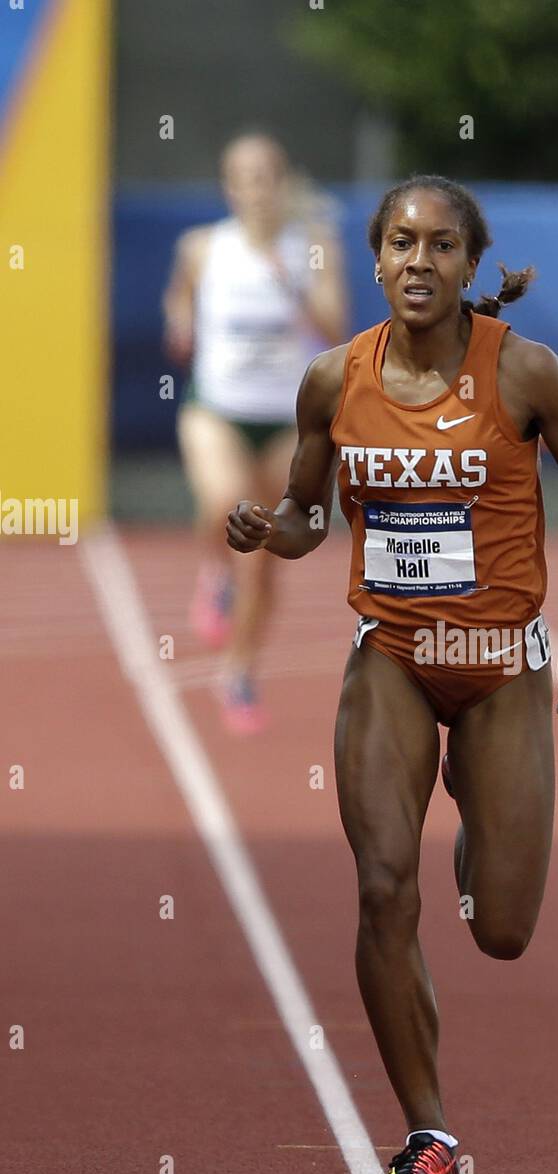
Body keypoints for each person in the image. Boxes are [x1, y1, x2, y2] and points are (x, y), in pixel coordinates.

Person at [227, 174, 558, 1174]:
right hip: (392, 660)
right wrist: (274, 532)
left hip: (498, 671)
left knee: (501, 929)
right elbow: (310, 515)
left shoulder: (526, 373)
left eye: (441, 245)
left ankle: (471, 811)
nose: (418, 260)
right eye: (401, 241)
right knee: (379, 886)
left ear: (468, 265)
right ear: (375, 258)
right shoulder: (333, 380)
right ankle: (429, 1132)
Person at [163, 131, 348, 732]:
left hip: (285, 419)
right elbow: (179, 299)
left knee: (264, 549)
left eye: (267, 175)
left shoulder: (311, 246)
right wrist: (181, 321)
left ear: (282, 182)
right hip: (216, 407)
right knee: (225, 505)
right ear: (229, 187)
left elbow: (334, 325)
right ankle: (213, 573)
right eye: (243, 177)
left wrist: (290, 284)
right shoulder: (201, 246)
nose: (256, 189)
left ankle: (238, 670)